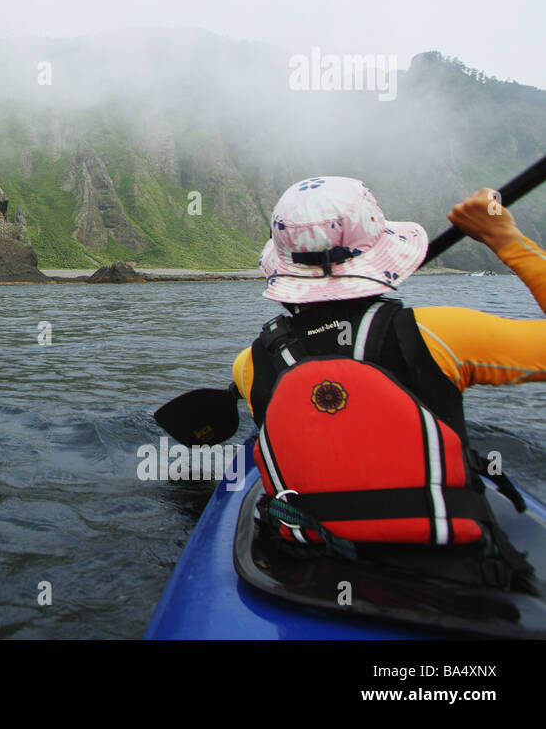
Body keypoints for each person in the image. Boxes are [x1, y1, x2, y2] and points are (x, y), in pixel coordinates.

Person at [231, 176, 546, 560]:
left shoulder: (249, 365)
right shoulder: (440, 336)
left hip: (311, 565)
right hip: (449, 569)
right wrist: (504, 237)